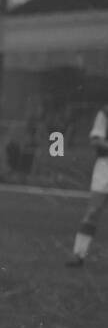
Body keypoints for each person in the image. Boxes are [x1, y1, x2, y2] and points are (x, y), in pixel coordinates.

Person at [67, 104, 108, 266]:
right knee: (93, 211)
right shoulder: (105, 113)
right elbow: (96, 140)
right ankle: (78, 254)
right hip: (105, 167)